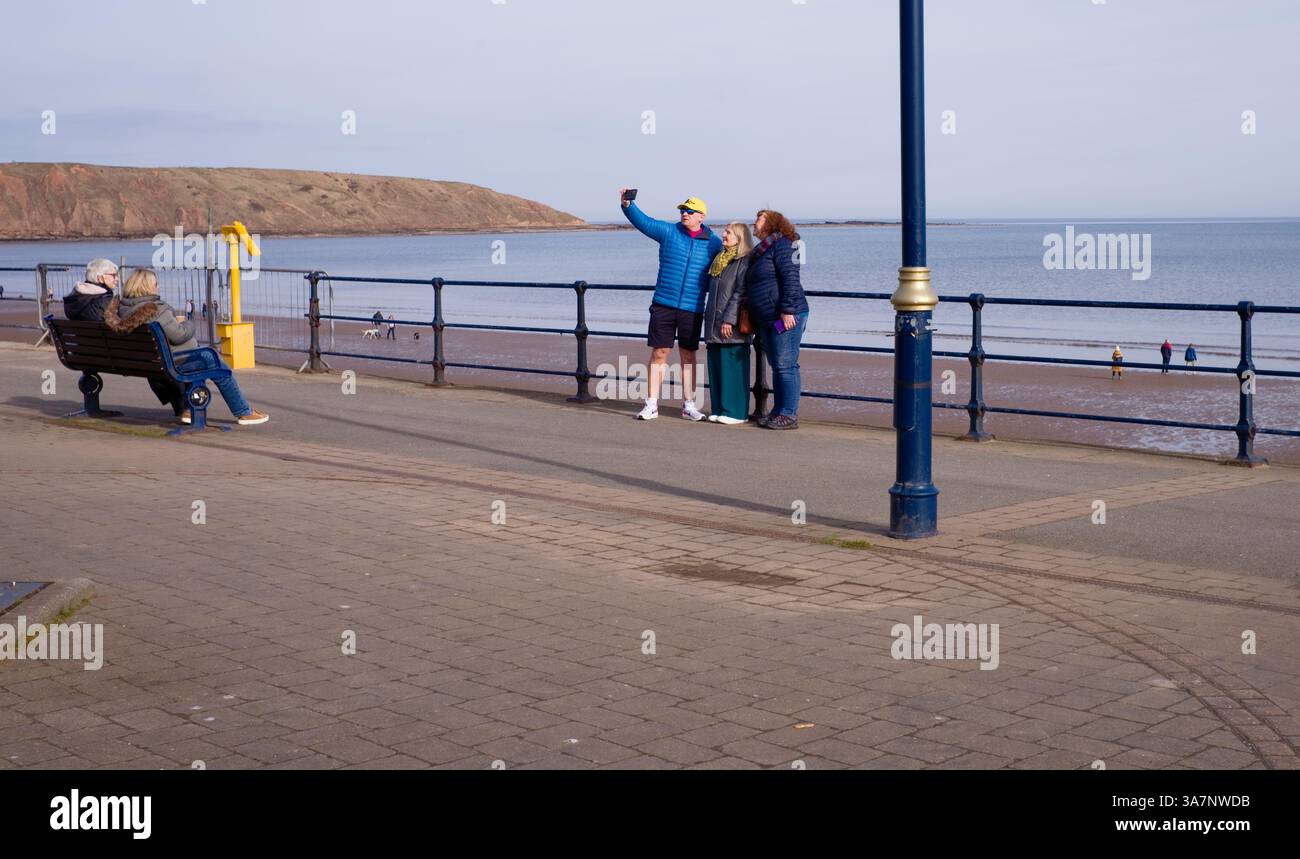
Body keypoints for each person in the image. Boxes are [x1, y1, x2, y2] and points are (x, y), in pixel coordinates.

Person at [104, 269, 268, 426]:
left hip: (150, 364)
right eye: (156, 284)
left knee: (202, 359)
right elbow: (179, 335)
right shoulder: (155, 310)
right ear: (146, 287)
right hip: (171, 363)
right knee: (212, 360)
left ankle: (189, 410)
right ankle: (243, 411)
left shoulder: (122, 310)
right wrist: (188, 323)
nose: (158, 287)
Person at [621, 189, 723, 421]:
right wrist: (628, 204)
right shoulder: (669, 232)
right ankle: (651, 404)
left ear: (701, 217)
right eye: (682, 210)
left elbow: (730, 261)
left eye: (689, 211)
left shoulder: (714, 243)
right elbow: (643, 222)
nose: (684, 214)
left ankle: (689, 405)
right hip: (664, 304)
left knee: (688, 356)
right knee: (660, 353)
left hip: (693, 307)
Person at [63, 259, 184, 414]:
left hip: (84, 355)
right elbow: (124, 326)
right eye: (113, 275)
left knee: (152, 356)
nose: (117, 279)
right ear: (100, 278)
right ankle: (183, 405)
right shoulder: (105, 303)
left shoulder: (74, 300)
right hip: (117, 357)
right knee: (158, 359)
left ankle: (181, 406)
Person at [746, 210, 809, 429]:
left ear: (770, 224)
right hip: (768, 317)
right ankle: (778, 410)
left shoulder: (784, 245)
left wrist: (788, 310)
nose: (754, 223)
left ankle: (789, 414)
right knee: (777, 364)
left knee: (785, 364)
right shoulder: (763, 249)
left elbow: (791, 278)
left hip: (786, 315)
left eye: (758, 220)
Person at [702, 222, 754, 425]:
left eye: (728, 233)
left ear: (740, 238)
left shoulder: (744, 260)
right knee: (716, 365)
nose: (723, 235)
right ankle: (719, 408)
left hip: (729, 323)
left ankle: (736, 412)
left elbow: (741, 293)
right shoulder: (720, 259)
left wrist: (729, 320)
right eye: (724, 231)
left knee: (732, 365)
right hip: (714, 321)